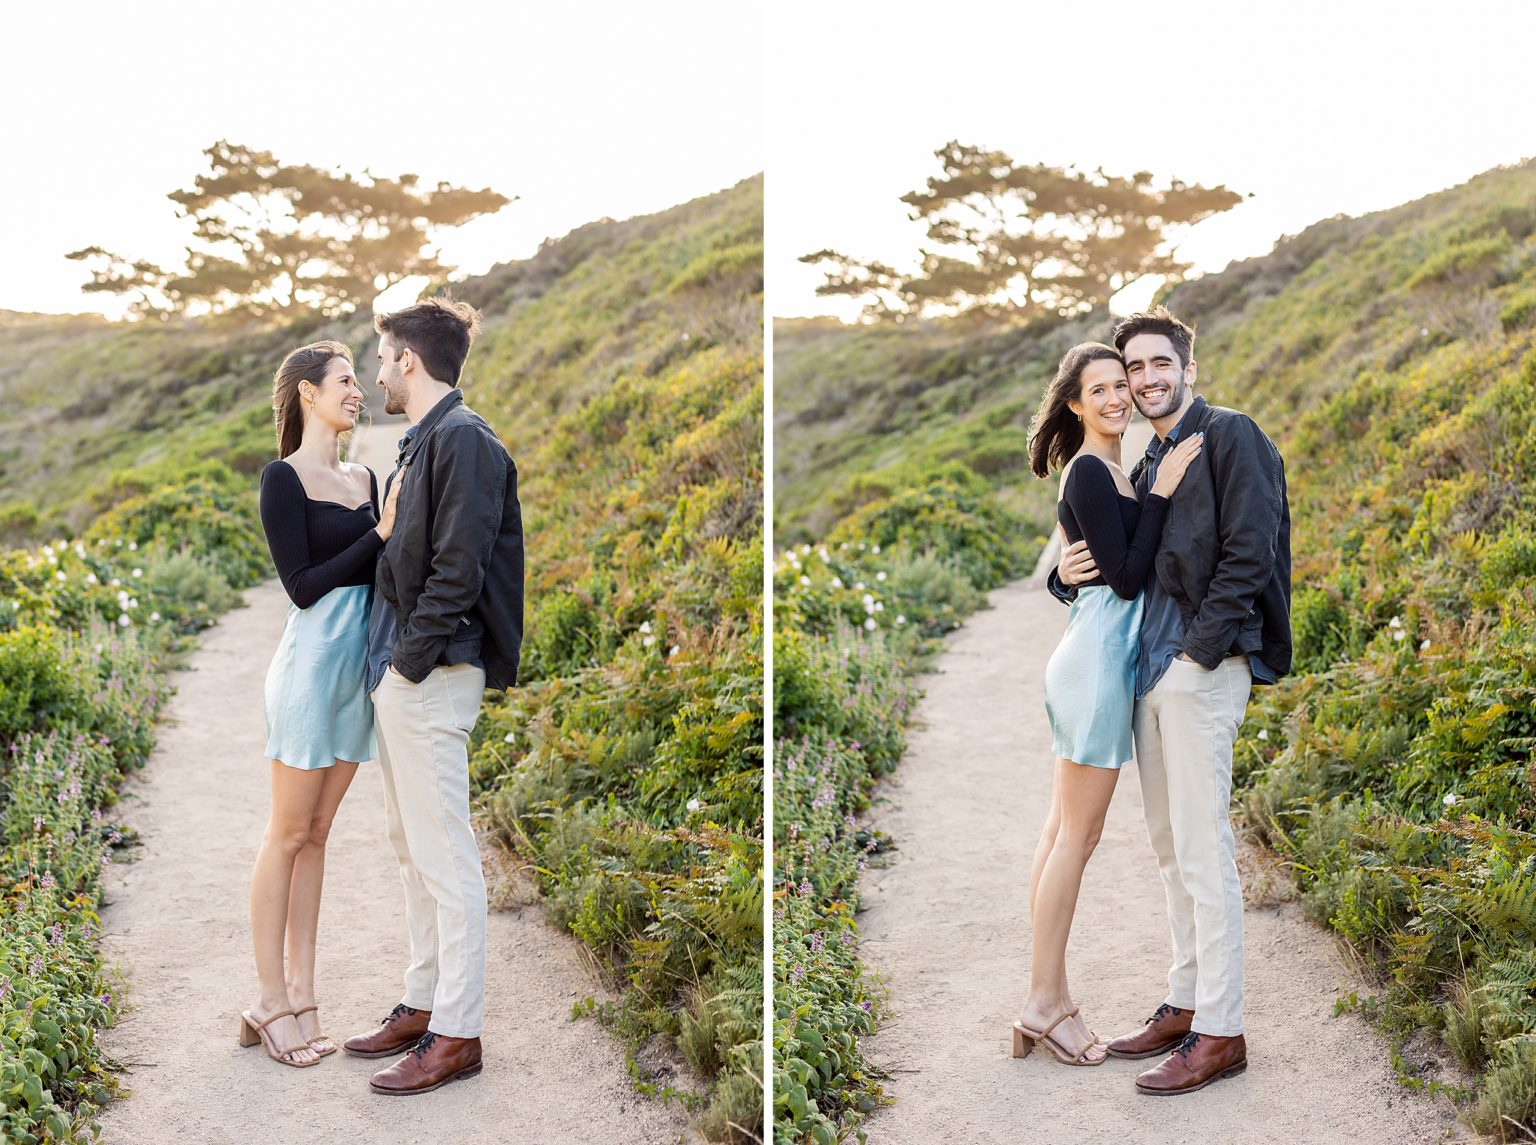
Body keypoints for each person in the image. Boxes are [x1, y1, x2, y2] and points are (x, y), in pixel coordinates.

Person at [1051, 306, 1291, 1095]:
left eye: (1158, 364)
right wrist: (1064, 575)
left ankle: (1222, 1029)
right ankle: (1186, 1000)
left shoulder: (1232, 434)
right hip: (1148, 673)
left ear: (1189, 364)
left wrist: (1199, 652)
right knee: (1166, 845)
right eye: (1132, 371)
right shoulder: (1150, 457)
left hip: (1198, 669)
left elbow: (1251, 550)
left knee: (1202, 845)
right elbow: (1123, 555)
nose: (1146, 380)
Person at [341, 296, 525, 1097]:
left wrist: (406, 666)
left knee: (447, 857)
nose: (378, 371)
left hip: (433, 674)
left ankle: (458, 1033)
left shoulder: (466, 441)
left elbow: (460, 568)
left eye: (382, 358)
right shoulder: (425, 441)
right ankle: (423, 1001)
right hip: (408, 672)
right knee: (411, 847)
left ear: (409, 360)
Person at [1013, 343, 1203, 1067]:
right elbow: (1125, 579)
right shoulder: (1094, 470)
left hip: (1088, 657)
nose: (1120, 397)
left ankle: (1046, 995)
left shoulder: (1109, 469)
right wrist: (1163, 493)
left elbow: (1097, 566)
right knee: (1076, 839)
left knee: (1059, 831)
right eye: (1101, 390)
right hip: (1094, 667)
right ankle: (1042, 1001)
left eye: (1121, 385)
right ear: (1074, 403)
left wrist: (1067, 573)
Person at [242, 341, 402, 1067]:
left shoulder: (366, 475)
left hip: (353, 679)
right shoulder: (284, 479)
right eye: (343, 381)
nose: (357, 391)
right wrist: (380, 533)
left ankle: (304, 993)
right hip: (307, 675)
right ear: (307, 392)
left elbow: (382, 571)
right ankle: (269, 999)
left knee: (319, 835)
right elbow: (303, 585)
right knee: (286, 833)